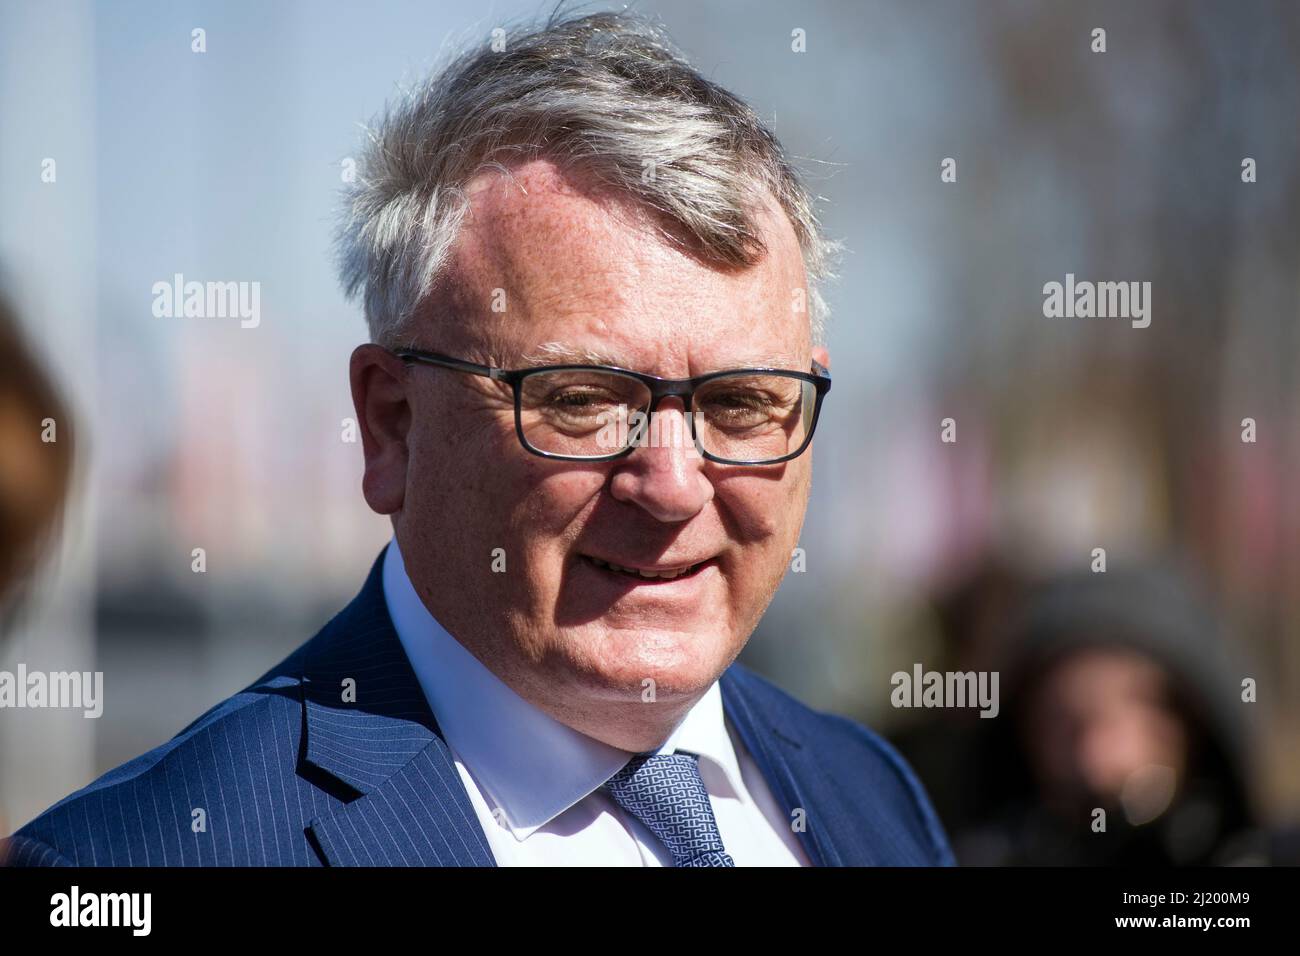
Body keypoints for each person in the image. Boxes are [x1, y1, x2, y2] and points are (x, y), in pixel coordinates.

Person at [1, 10, 951, 867]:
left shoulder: (870, 796)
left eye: (741, 402)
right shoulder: (140, 863)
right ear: (391, 424)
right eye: (581, 398)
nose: (671, 483)